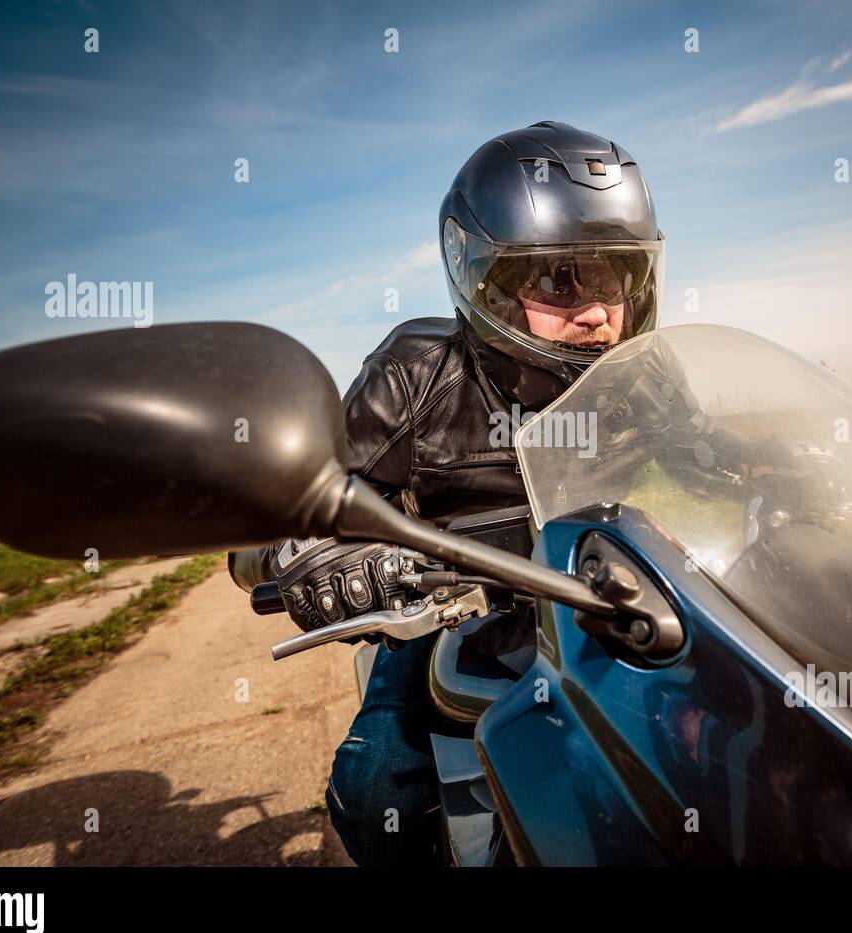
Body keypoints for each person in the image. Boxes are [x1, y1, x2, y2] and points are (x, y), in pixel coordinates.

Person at [228, 121, 664, 865]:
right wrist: (314, 555)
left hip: (615, 618)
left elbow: (732, 470)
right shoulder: (416, 375)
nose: (597, 311)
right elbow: (293, 519)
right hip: (451, 622)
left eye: (615, 276)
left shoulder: (648, 378)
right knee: (376, 793)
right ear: (487, 279)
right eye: (560, 279)